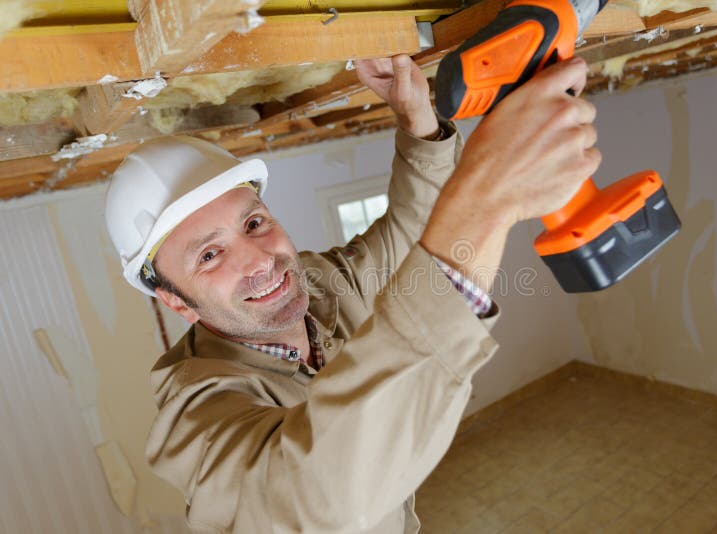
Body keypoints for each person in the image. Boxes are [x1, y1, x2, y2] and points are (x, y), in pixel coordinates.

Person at [104, 54, 599, 533]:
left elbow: (410, 234)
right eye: (209, 256)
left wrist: (418, 122)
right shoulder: (197, 418)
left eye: (253, 223)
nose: (258, 261)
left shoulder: (320, 286)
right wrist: (491, 196)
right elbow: (316, 499)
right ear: (175, 301)